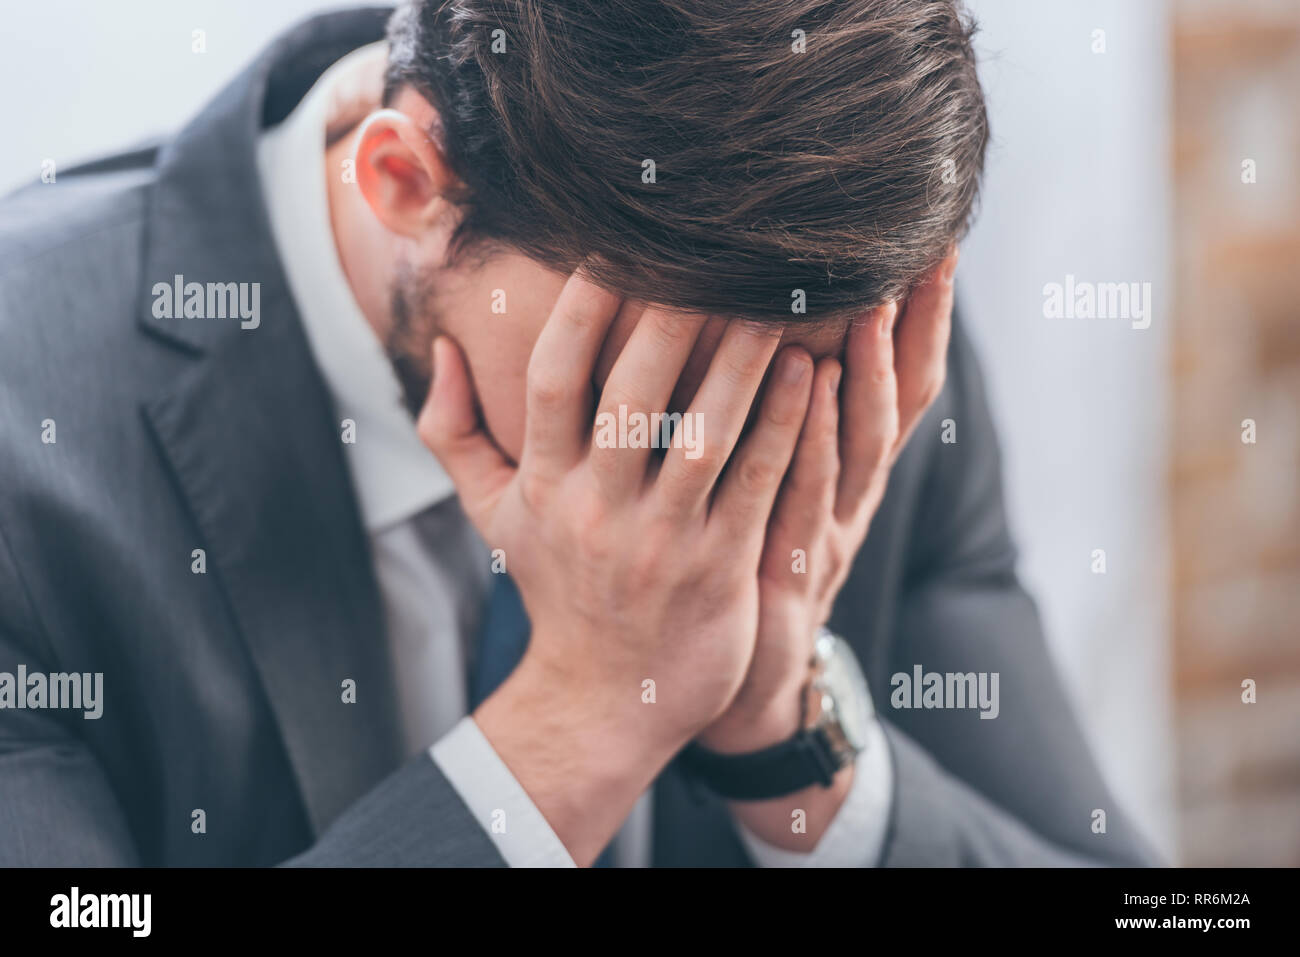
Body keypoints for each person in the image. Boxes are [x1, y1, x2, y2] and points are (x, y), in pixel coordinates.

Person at [0, 1, 1158, 866]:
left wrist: (787, 746)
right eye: (659, 380)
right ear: (404, 183)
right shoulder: (27, 429)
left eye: (780, 379)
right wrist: (579, 719)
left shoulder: (853, 365)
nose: (724, 460)